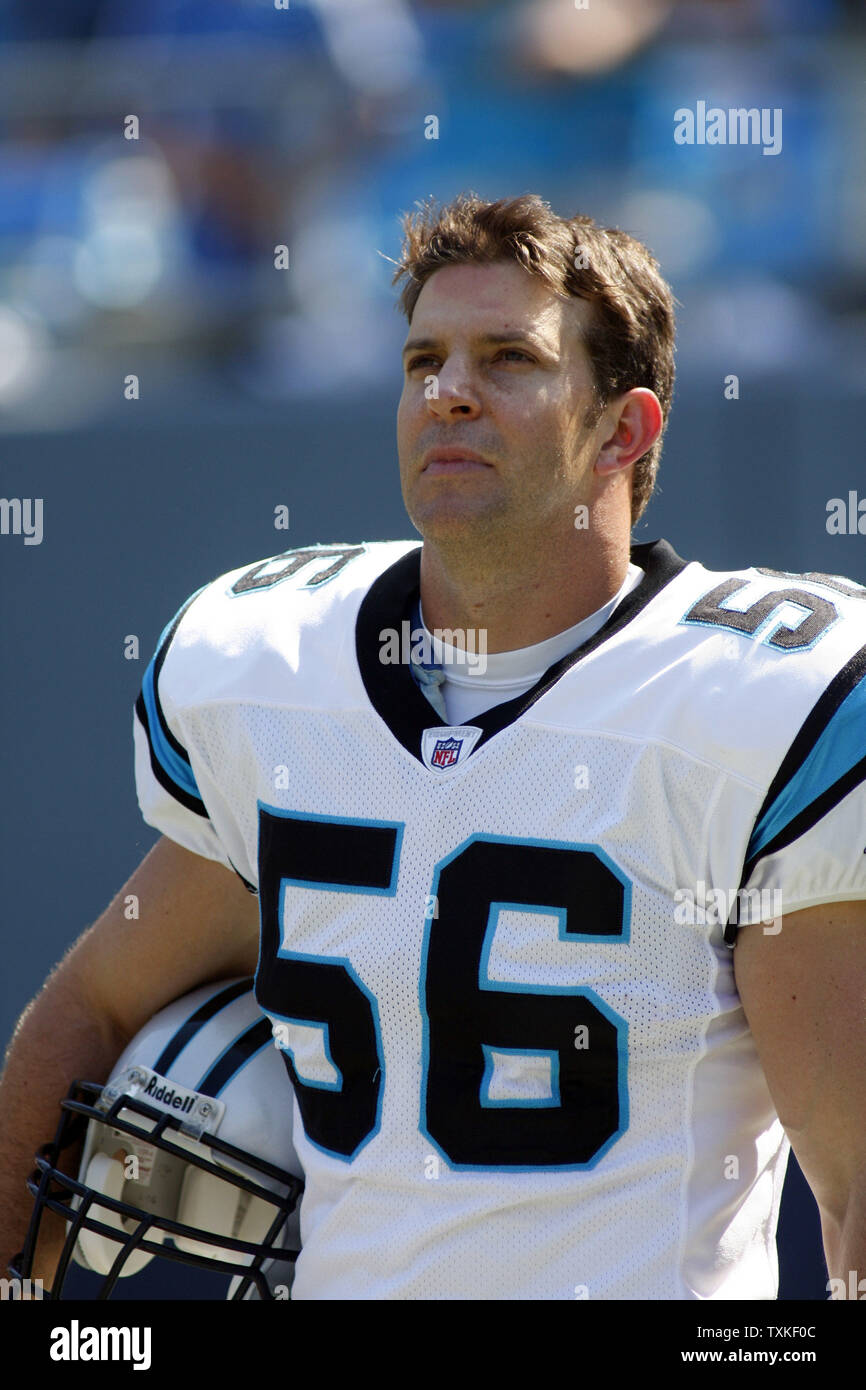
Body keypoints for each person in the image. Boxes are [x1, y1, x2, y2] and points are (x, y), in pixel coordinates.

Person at [2, 192, 865, 1300]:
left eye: (507, 358)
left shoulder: (752, 705)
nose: (446, 391)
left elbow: (846, 1187)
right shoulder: (274, 676)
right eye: (422, 361)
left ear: (623, 429)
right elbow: (93, 1009)